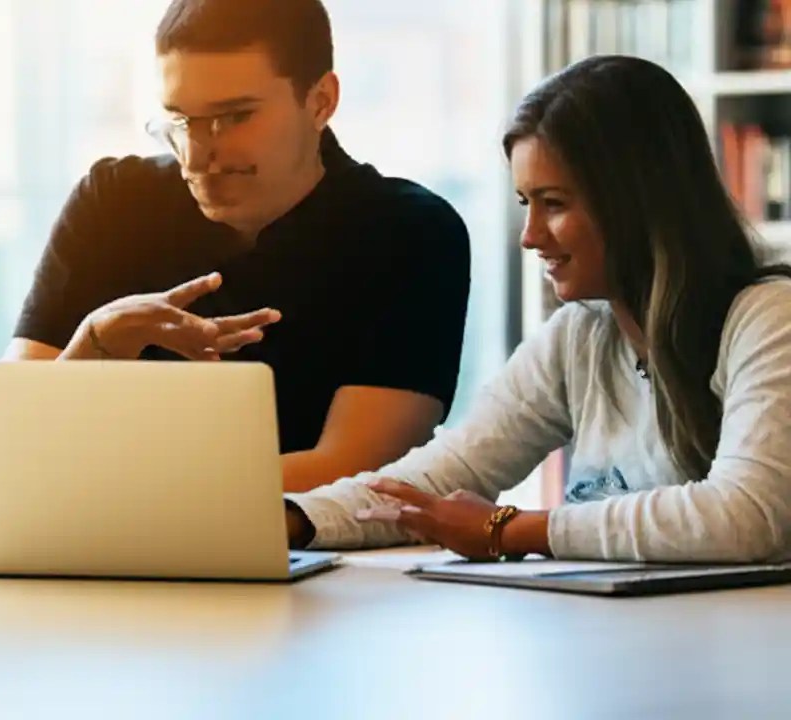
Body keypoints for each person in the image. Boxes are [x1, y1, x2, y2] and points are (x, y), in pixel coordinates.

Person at [285, 55, 791, 563]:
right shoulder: (580, 334)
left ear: (637, 200)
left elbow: (745, 514)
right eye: (527, 203)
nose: (530, 237)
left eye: (554, 203)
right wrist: (293, 521)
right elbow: (440, 476)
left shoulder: (769, 316)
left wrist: (507, 529)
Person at [7, 0, 472, 493]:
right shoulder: (112, 202)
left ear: (320, 102)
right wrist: (96, 342)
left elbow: (356, 476)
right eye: (181, 121)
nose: (199, 154)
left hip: (320, 560)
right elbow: (12, 444)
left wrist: (116, 488)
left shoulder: (410, 232)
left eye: (234, 117)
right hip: (86, 543)